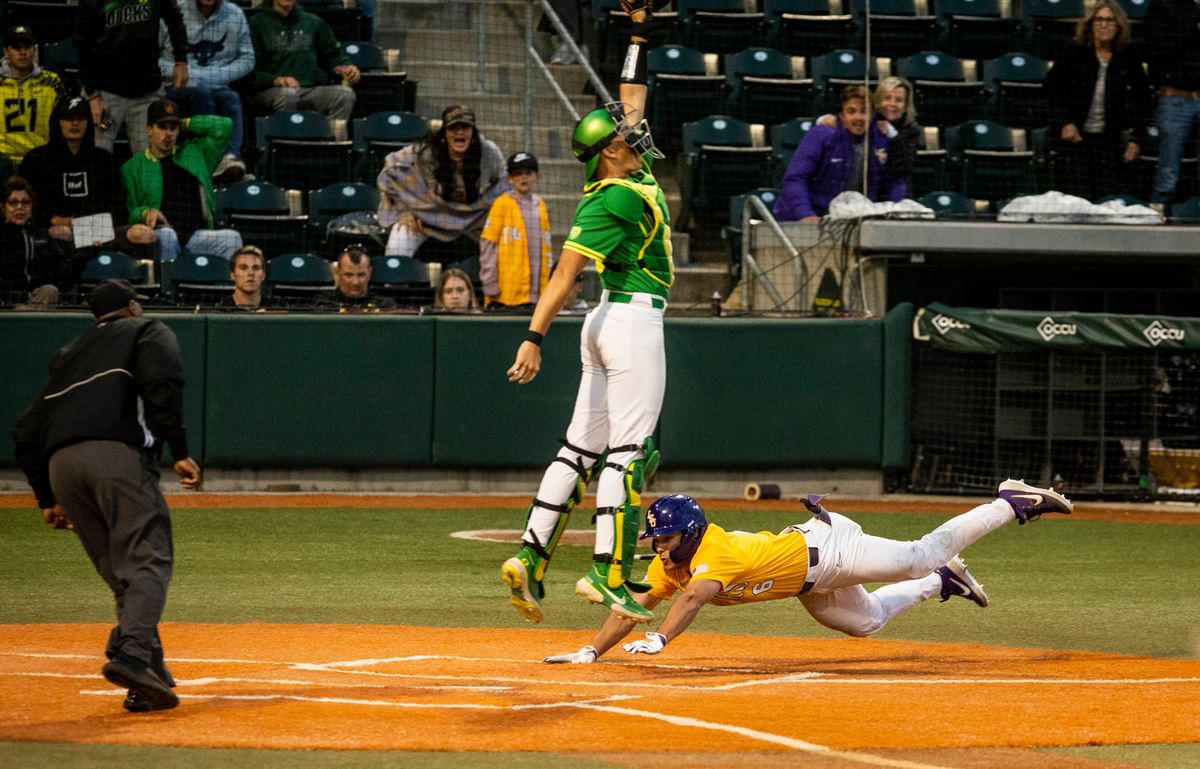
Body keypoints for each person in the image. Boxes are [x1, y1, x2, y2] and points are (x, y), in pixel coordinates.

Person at [500, 1, 673, 626]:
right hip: (630, 324)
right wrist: (532, 336)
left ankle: (530, 557)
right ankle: (607, 572)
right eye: (626, 136)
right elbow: (563, 274)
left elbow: (631, 97)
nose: (636, 133)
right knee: (630, 453)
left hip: (605, 323)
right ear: (610, 153)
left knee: (580, 450)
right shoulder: (612, 200)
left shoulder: (624, 172)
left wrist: (637, 33)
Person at [542, 480, 1073, 663]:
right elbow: (633, 607)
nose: (659, 548)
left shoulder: (715, 552)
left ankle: (1009, 502)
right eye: (656, 541)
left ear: (692, 532)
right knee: (867, 623)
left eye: (665, 538)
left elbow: (692, 600)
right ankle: (943, 581)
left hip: (831, 551)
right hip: (808, 582)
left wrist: (662, 640)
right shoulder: (674, 564)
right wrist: (592, 650)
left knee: (916, 553)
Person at [12, 278, 202, 712]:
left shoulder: (69, 353)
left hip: (61, 467)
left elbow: (24, 430)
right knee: (148, 561)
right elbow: (163, 385)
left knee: (121, 573)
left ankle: (148, 677)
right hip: (116, 457)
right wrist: (180, 451)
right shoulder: (147, 329)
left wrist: (46, 498)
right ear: (132, 306)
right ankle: (131, 655)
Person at [19, 96, 157, 260]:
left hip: (98, 230)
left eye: (80, 118)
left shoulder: (104, 160)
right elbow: (28, 208)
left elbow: (118, 208)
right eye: (68, 118)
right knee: (61, 233)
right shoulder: (35, 160)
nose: (75, 123)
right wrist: (56, 220)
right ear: (57, 122)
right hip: (53, 231)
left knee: (144, 234)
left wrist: (89, 227)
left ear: (88, 122)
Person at [1046, 0, 1150, 201]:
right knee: (1077, 199)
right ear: (1090, 24)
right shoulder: (1073, 53)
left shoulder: (1129, 57)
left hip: (1108, 142)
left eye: (1110, 20)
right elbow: (1051, 92)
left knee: (1105, 200)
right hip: (1075, 140)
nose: (1104, 25)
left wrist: (1136, 140)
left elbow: (1143, 102)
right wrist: (1064, 123)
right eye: (1099, 20)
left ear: (1119, 25)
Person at [377, 105, 509, 263]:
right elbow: (390, 168)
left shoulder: (489, 153)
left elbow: (505, 184)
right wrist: (404, 210)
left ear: (473, 132)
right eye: (453, 128)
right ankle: (395, 278)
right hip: (427, 218)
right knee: (399, 240)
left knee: (508, 236)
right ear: (445, 133)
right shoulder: (426, 151)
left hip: (473, 218)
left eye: (465, 127)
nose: (459, 132)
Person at [121, 99, 243, 265]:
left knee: (232, 238)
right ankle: (167, 281)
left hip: (196, 236)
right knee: (168, 236)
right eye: (162, 127)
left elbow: (224, 126)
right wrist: (145, 213)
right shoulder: (132, 168)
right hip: (161, 234)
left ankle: (225, 283)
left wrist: (184, 123)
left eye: (173, 128)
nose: (168, 134)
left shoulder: (196, 153)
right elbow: (130, 214)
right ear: (149, 129)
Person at [773, 85, 906, 222]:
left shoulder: (881, 139)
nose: (858, 117)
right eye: (851, 111)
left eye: (864, 111)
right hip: (804, 218)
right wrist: (805, 214)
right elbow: (796, 178)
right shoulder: (821, 135)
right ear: (841, 115)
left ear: (872, 114)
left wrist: (898, 213)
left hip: (851, 220)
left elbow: (894, 181)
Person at [158, 0, 256, 184]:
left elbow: (248, 59)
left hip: (219, 84)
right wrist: (184, 74)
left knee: (231, 98)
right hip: (176, 85)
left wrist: (214, 76)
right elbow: (152, 56)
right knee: (201, 93)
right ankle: (206, 158)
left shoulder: (235, 14)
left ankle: (230, 158)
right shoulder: (173, 10)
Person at [75, 0, 189, 155]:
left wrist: (181, 61)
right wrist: (92, 95)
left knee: (150, 160)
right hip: (105, 93)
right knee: (96, 158)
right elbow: (82, 44)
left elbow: (175, 20)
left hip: (147, 92)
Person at [248, 0, 360, 122]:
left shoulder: (313, 21)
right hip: (268, 91)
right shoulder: (255, 23)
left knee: (344, 94)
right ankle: (287, 134)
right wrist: (276, 80)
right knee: (288, 95)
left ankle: (331, 133)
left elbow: (334, 55)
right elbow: (249, 71)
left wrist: (346, 67)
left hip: (308, 90)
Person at [814, 77, 920, 198]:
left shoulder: (912, 129)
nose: (892, 104)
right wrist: (823, 119)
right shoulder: (866, 120)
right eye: (887, 98)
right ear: (878, 101)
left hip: (895, 190)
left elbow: (904, 168)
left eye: (899, 100)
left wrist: (894, 136)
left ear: (906, 106)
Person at [1143, 0, 1200, 204]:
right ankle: (1159, 213)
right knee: (1168, 171)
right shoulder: (1163, 5)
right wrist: (1195, 28)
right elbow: (1158, 51)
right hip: (1175, 98)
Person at [480, 152, 552, 311]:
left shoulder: (541, 205)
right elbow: (488, 245)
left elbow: (547, 250)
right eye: (518, 174)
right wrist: (490, 284)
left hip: (537, 295)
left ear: (538, 176)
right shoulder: (501, 204)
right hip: (505, 295)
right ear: (509, 179)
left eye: (528, 173)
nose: (523, 178)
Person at [0, 26, 68, 166]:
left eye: (27, 47)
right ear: (6, 51)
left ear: (35, 49)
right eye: (16, 48)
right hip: (3, 163)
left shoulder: (52, 82)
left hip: (41, 160)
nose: (22, 52)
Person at [0, 176, 70, 306]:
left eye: (26, 202)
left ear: (32, 206)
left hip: (38, 302)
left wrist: (89, 250)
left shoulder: (44, 235)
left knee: (50, 290)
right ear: (3, 207)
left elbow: (63, 277)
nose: (20, 207)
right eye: (13, 202)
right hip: (6, 305)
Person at [317, 245, 397, 310]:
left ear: (369, 273)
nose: (355, 282)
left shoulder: (384, 306)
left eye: (361, 275)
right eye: (348, 275)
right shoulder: (322, 304)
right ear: (337, 272)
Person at [217, 244, 272, 310]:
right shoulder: (220, 309)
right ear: (232, 275)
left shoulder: (276, 308)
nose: (250, 273)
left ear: (263, 275)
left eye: (256, 268)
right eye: (243, 268)